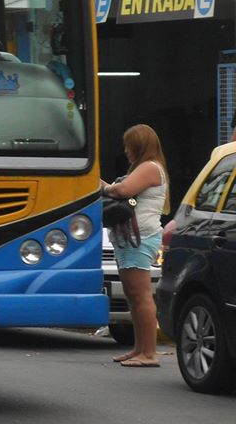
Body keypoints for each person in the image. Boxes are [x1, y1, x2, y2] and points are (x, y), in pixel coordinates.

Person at [100, 123, 168, 368]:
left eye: (129, 145)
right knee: (133, 297)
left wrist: (106, 187)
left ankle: (148, 353)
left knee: (141, 297)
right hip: (128, 240)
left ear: (139, 146)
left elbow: (122, 190)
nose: (126, 150)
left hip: (140, 239)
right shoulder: (143, 168)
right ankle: (139, 349)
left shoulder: (150, 167)